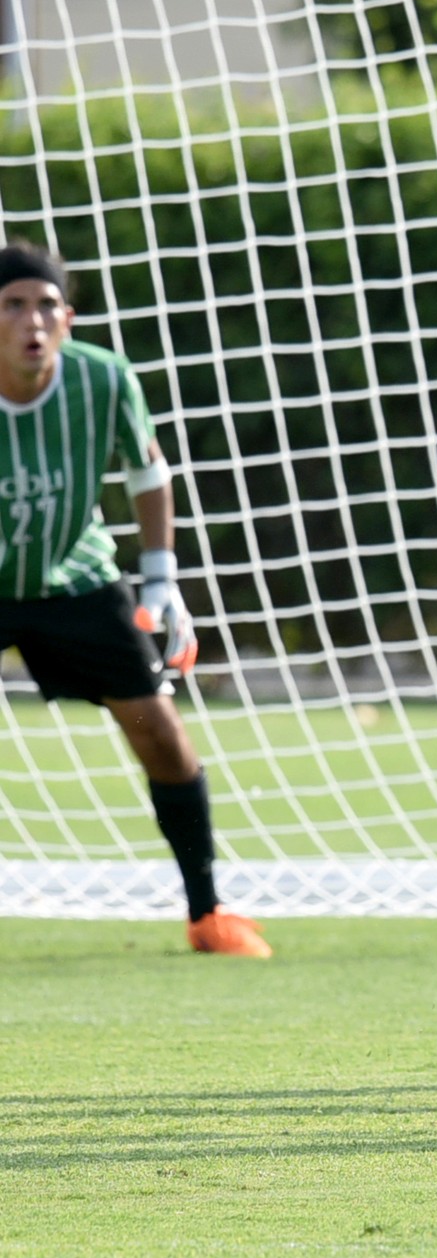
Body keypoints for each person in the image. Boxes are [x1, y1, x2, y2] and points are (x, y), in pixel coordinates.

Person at [0, 240, 271, 958]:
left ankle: (207, 913)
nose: (32, 320)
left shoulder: (103, 378)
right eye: (13, 305)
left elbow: (147, 474)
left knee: (158, 729)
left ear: (68, 320)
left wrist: (160, 581)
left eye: (47, 305)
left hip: (75, 579)